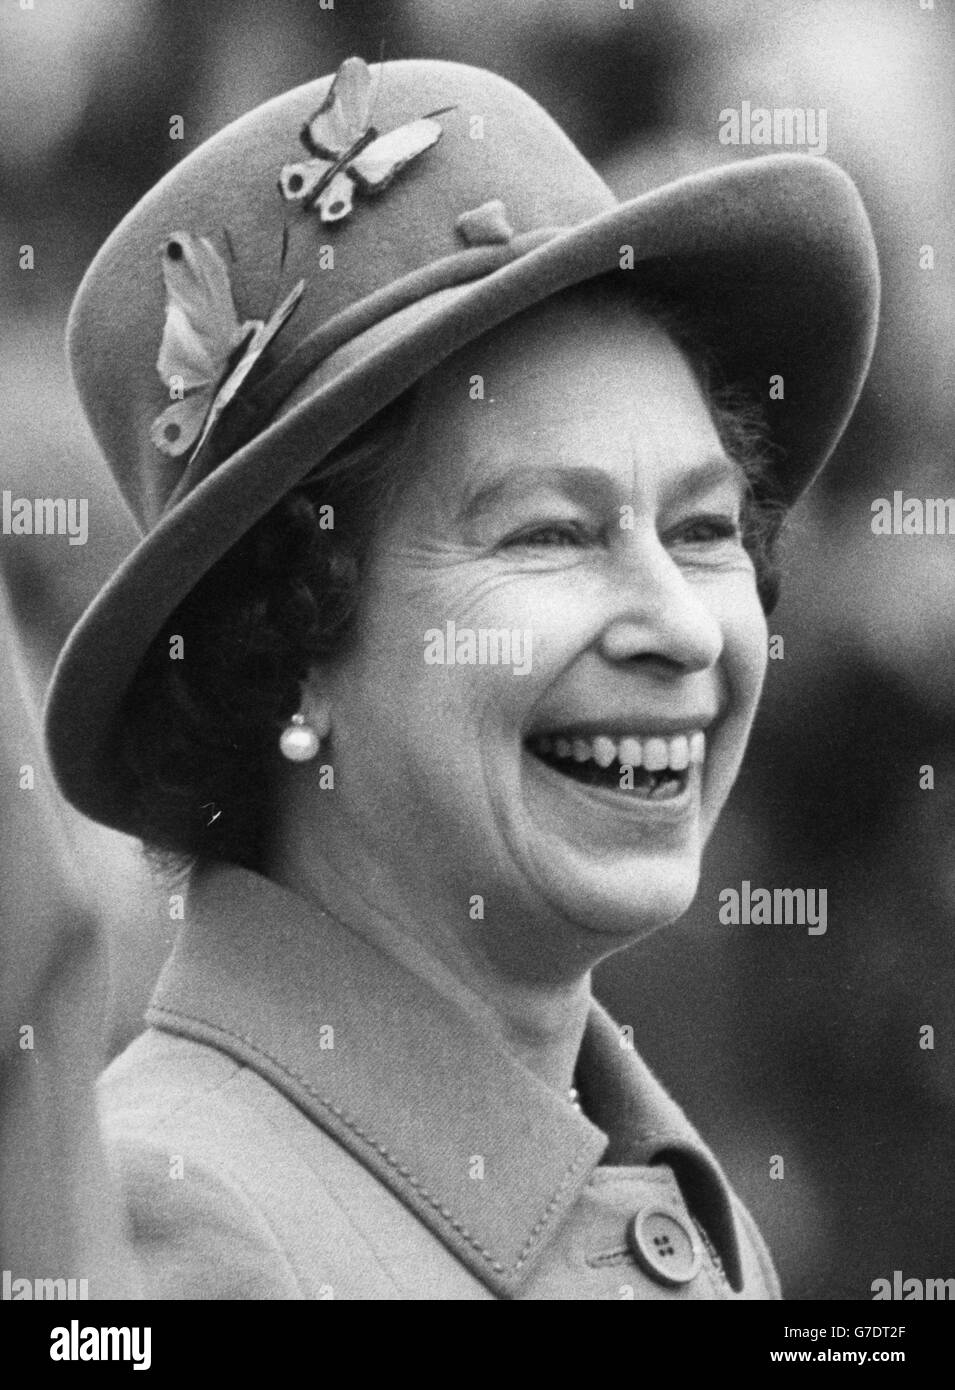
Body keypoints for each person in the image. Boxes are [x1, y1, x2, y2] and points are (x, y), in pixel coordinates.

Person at [44, 57, 879, 1299]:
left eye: (704, 530)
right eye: (550, 533)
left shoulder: (671, 1198)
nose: (685, 630)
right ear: (287, 652)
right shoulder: (178, 1231)